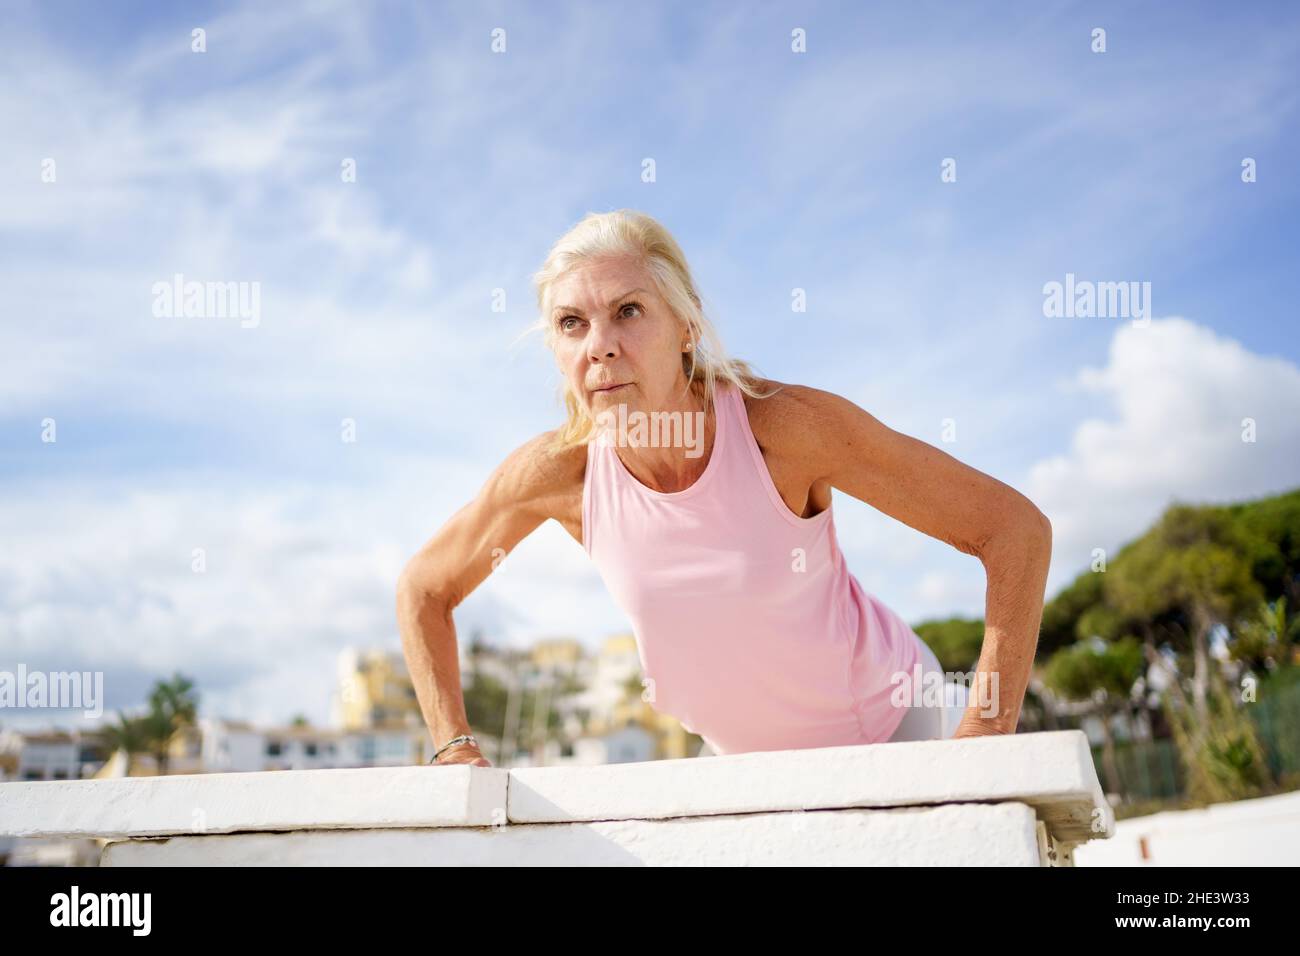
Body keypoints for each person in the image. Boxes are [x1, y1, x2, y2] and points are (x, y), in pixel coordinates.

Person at [397, 210, 1052, 767]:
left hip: (898, 730)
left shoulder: (786, 433)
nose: (600, 346)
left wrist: (984, 740)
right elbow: (426, 589)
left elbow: (1013, 530)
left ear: (686, 327)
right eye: (572, 324)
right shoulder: (559, 474)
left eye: (628, 311)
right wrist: (454, 749)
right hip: (745, 769)